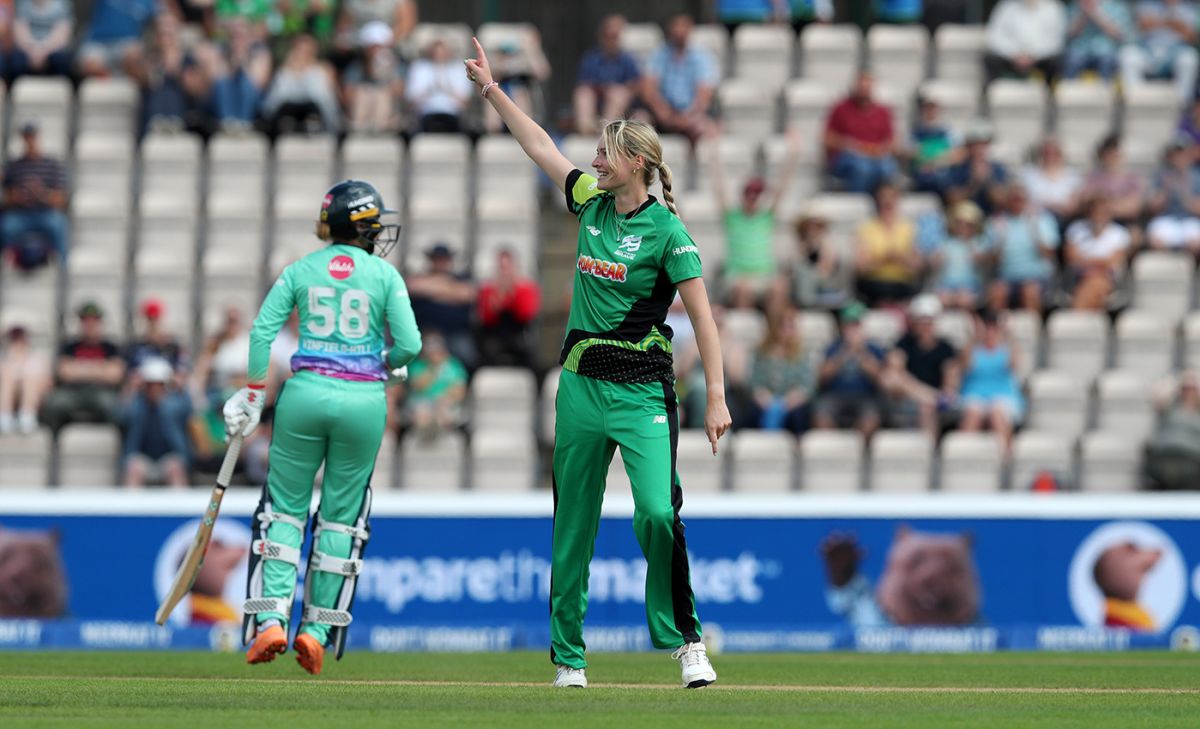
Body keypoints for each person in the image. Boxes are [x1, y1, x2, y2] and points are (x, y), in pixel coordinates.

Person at [467, 37, 730, 689]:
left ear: (635, 162)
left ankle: (688, 642)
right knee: (573, 524)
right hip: (580, 386)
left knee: (657, 513)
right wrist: (494, 91)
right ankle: (569, 657)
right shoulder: (588, 198)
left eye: (604, 154)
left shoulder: (669, 233)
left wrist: (717, 394)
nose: (591, 162)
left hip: (642, 393)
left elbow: (702, 318)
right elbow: (540, 147)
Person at [226, 179, 421, 675]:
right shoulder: (383, 273)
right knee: (340, 516)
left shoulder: (300, 269)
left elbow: (262, 330)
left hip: (305, 394)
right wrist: (389, 363)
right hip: (363, 400)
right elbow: (412, 344)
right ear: (364, 226)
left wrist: (253, 393)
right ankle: (315, 631)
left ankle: (271, 619)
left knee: (285, 510)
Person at [710, 130, 803, 303]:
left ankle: (773, 329)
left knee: (779, 286)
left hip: (764, 276)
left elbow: (783, 187)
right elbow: (719, 188)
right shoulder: (732, 217)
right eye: (750, 194)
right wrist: (715, 153)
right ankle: (743, 327)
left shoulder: (766, 216)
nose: (753, 198)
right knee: (743, 288)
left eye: (756, 195)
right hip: (738, 276)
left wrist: (793, 155)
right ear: (743, 195)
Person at [40, 302, 126, 432]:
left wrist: (79, 368)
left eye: (94, 320)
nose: (89, 325)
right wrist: (100, 368)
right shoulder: (69, 346)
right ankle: (53, 444)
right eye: (85, 320)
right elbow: (65, 373)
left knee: (115, 407)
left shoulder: (110, 347)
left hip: (101, 392)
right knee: (54, 404)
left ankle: (112, 446)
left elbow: (115, 375)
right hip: (73, 392)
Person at [881, 295, 960, 436]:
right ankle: (928, 398)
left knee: (926, 407)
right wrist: (925, 394)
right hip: (907, 397)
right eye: (921, 322)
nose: (924, 326)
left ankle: (927, 451)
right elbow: (895, 372)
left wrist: (944, 394)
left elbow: (951, 379)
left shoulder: (946, 348)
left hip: (934, 402)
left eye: (928, 322)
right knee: (890, 378)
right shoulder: (904, 343)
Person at [813, 301, 886, 440]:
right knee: (820, 416)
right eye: (848, 325)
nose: (852, 329)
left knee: (871, 419)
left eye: (855, 325)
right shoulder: (833, 347)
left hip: (866, 396)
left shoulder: (873, 348)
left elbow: (879, 379)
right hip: (835, 395)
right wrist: (842, 354)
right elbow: (821, 378)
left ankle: (858, 453)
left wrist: (862, 353)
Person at [640, 14, 719, 141]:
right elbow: (648, 91)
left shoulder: (702, 57)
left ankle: (697, 160)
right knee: (638, 121)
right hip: (662, 115)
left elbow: (704, 97)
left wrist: (686, 118)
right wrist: (665, 114)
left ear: (690, 29)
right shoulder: (659, 54)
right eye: (676, 26)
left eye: (683, 26)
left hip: (691, 115)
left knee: (706, 128)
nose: (679, 31)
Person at [985, 182, 1061, 312]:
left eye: (1020, 199)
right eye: (1014, 199)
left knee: (1030, 291)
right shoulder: (996, 222)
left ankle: (1033, 329)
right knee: (997, 291)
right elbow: (992, 261)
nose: (1017, 203)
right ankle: (996, 329)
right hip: (1007, 276)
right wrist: (1000, 240)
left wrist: (1033, 229)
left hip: (1037, 276)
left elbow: (1049, 253)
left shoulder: (1042, 219)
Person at [958, 310, 1024, 456]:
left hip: (1003, 396)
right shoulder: (972, 349)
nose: (989, 332)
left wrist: (1009, 335)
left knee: (997, 412)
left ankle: (1005, 458)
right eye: (986, 328)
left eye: (993, 328)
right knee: (973, 413)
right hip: (974, 395)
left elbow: (1013, 366)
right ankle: (965, 456)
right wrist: (973, 337)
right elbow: (965, 366)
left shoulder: (1007, 349)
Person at [2, 122, 67, 268]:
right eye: (27, 137)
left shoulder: (52, 165)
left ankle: (63, 267)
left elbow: (61, 200)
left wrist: (41, 194)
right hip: (20, 214)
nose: (30, 141)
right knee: (6, 226)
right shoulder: (14, 166)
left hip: (45, 213)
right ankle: (7, 264)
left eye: (33, 137)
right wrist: (18, 196)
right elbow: (7, 198)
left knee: (58, 224)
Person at [120, 357, 191, 489]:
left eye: (159, 384)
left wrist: (181, 388)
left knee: (176, 469)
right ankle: (130, 509)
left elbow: (190, 410)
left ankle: (180, 509)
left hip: (169, 458)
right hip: (143, 458)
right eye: (150, 385)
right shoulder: (137, 404)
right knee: (133, 468)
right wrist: (131, 389)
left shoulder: (175, 404)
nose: (154, 389)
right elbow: (122, 416)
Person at [824, 71, 898, 194]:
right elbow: (827, 139)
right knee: (862, 168)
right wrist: (846, 144)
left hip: (876, 157)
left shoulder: (882, 112)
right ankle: (858, 203)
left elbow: (892, 141)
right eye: (861, 86)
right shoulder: (841, 109)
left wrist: (882, 149)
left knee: (888, 167)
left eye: (867, 86)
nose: (864, 90)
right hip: (848, 157)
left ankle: (882, 206)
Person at [406, 243, 476, 369]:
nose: (440, 262)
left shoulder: (462, 277)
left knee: (466, 355)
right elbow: (412, 286)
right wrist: (450, 292)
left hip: (455, 332)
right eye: (436, 259)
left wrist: (431, 291)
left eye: (443, 259)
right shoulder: (420, 277)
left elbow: (467, 294)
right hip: (424, 331)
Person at [749, 308, 816, 435]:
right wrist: (763, 396)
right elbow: (754, 382)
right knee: (759, 411)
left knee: (797, 415)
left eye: (791, 327)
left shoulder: (802, 354)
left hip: (792, 402)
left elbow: (808, 386)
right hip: (766, 401)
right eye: (784, 326)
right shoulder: (762, 353)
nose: (788, 331)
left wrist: (790, 400)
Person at [854, 183, 920, 308]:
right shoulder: (866, 229)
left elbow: (916, 266)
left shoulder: (909, 228)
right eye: (883, 197)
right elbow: (861, 267)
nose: (887, 201)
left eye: (892, 197)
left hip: (902, 283)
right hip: (875, 284)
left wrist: (897, 258)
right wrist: (887, 258)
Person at [260, 34, 342, 134]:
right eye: (299, 49)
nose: (302, 53)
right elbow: (275, 97)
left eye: (306, 50)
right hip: (287, 110)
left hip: (315, 110)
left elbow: (328, 99)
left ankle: (314, 124)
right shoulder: (283, 71)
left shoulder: (322, 70)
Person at [573, 14, 641, 135]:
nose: (611, 40)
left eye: (615, 36)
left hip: (621, 104)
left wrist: (614, 90)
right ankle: (585, 129)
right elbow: (585, 83)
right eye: (608, 36)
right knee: (583, 93)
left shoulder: (628, 59)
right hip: (597, 99)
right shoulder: (592, 58)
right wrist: (604, 89)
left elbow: (634, 86)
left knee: (618, 94)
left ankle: (606, 131)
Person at [1120, 0, 1200, 102]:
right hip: (1147, 52)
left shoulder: (1189, 7)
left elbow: (1191, 37)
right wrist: (1170, 22)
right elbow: (1142, 24)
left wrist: (1164, 19)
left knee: (1189, 58)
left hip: (1175, 54)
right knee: (1128, 55)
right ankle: (1135, 102)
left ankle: (1182, 104)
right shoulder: (1146, 3)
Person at [476, 248, 541, 370]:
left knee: (529, 357)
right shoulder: (488, 290)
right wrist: (497, 297)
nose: (505, 272)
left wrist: (511, 294)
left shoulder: (526, 289)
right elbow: (486, 319)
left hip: (518, 334)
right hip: (494, 335)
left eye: (508, 267)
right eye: (502, 267)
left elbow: (526, 315)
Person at [1065, 193, 1131, 310]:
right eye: (1096, 211)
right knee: (1095, 293)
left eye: (1104, 212)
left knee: (1095, 283)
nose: (1099, 215)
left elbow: (1113, 262)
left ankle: (1077, 315)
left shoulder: (1119, 233)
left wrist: (1085, 260)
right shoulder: (1076, 229)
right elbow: (1071, 258)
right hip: (1078, 278)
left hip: (1108, 279)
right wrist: (1100, 262)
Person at [210, 17, 272, 132]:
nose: (238, 40)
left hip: (254, 99)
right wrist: (233, 63)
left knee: (245, 82)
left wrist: (243, 62)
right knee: (222, 83)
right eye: (234, 36)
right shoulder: (223, 51)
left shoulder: (260, 52)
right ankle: (226, 121)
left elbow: (258, 84)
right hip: (230, 97)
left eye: (241, 36)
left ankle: (245, 122)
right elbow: (215, 79)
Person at [400, 330, 466, 439]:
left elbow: (460, 391)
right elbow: (419, 385)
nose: (433, 350)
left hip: (445, 404)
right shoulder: (417, 366)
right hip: (421, 403)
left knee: (445, 411)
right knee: (422, 412)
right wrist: (433, 367)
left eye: (436, 345)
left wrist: (443, 398)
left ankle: (438, 436)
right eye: (430, 345)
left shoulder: (454, 365)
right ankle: (427, 436)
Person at [984, 0, 1066, 83]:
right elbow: (994, 37)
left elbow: (1055, 41)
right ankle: (992, 92)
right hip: (1011, 59)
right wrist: (1015, 54)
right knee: (990, 59)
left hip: (1040, 60)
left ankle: (1050, 94)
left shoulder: (1053, 7)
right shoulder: (1006, 6)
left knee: (1054, 62)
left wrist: (1032, 55)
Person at [343, 21, 404, 134]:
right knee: (363, 94)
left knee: (381, 95)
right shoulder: (356, 67)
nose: (375, 51)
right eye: (372, 47)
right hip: (361, 112)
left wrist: (387, 73)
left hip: (388, 112)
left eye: (379, 47)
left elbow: (399, 92)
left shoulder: (396, 65)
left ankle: (381, 128)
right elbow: (347, 95)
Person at [1144, 371, 1200, 490]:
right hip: (1163, 459)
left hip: (1193, 462)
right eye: (1185, 388)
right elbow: (1158, 394)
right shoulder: (1169, 409)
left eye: (1192, 388)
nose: (1188, 392)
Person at [405, 38, 473, 134]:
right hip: (426, 113)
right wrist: (430, 89)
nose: (439, 55)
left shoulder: (459, 68)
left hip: (452, 114)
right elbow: (411, 102)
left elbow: (465, 102)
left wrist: (447, 88)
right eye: (436, 52)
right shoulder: (419, 68)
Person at [1146, 137, 1200, 255]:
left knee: (1196, 242)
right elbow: (1152, 207)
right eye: (1176, 155)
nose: (1180, 158)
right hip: (1167, 219)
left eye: (1183, 154)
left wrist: (1185, 194)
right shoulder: (1162, 176)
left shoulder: (1197, 176)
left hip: (1190, 220)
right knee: (1156, 240)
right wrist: (1166, 191)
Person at [931, 201, 988, 310]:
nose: (963, 227)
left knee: (964, 298)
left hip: (970, 284)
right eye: (960, 223)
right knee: (943, 298)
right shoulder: (946, 243)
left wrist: (970, 245)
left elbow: (981, 261)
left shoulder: (979, 242)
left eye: (968, 224)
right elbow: (935, 261)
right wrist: (936, 260)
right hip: (947, 283)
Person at [77, 0, 157, 78]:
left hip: (128, 42)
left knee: (134, 55)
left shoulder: (148, 2)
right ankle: (109, 80)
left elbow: (156, 25)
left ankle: (131, 83)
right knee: (90, 63)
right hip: (98, 42)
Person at [944, 120, 1008, 216]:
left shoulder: (997, 168)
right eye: (976, 144)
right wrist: (974, 183)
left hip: (990, 219)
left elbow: (1002, 200)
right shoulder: (957, 169)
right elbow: (953, 200)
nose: (980, 149)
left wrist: (988, 180)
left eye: (984, 144)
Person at [789, 204, 847, 309]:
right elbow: (794, 268)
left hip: (822, 287)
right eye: (810, 225)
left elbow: (826, 271)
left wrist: (819, 246)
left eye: (816, 225)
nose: (813, 229)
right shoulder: (799, 245)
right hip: (803, 288)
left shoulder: (827, 245)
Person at [1082, 134, 1145, 225]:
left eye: (1114, 153)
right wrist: (1118, 203)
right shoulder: (1092, 178)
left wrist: (1104, 204)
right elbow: (1087, 201)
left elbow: (1134, 207)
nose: (1111, 157)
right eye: (1108, 154)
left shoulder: (1132, 179)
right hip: (1097, 222)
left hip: (1124, 222)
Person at [1063, 0, 1133, 81]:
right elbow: (1070, 35)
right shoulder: (1075, 6)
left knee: (1107, 60)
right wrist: (1083, 15)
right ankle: (1070, 90)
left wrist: (1095, 13)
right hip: (1079, 49)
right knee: (1072, 59)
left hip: (1105, 50)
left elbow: (1118, 35)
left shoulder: (1116, 6)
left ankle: (1106, 91)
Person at [1022, 137, 1083, 225]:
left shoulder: (1073, 177)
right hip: (1035, 220)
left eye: (1055, 153)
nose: (1051, 157)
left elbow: (1074, 205)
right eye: (1047, 153)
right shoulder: (1028, 175)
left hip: (1065, 219)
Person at [0, 325, 49, 435]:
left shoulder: (37, 358)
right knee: (7, 378)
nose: (18, 342)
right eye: (14, 338)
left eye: (20, 337)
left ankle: (27, 418)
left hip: (34, 395)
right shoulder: (4, 359)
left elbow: (46, 383)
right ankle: (4, 418)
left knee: (29, 380)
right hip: (8, 393)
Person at [909, 95, 961, 194]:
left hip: (943, 173)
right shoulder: (916, 132)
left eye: (933, 109)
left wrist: (936, 162)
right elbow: (911, 152)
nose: (930, 113)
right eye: (927, 109)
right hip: (921, 173)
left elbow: (958, 155)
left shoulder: (948, 132)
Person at [10, 0, 73, 79]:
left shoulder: (62, 5)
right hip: (29, 49)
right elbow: (20, 32)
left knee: (61, 59)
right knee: (16, 60)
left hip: (52, 48)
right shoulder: (23, 4)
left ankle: (61, 88)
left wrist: (43, 50)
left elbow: (62, 34)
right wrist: (33, 49)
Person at [125, 298, 185, 373]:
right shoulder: (135, 348)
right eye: (150, 320)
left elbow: (182, 370)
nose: (153, 324)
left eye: (155, 319)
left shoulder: (172, 347)